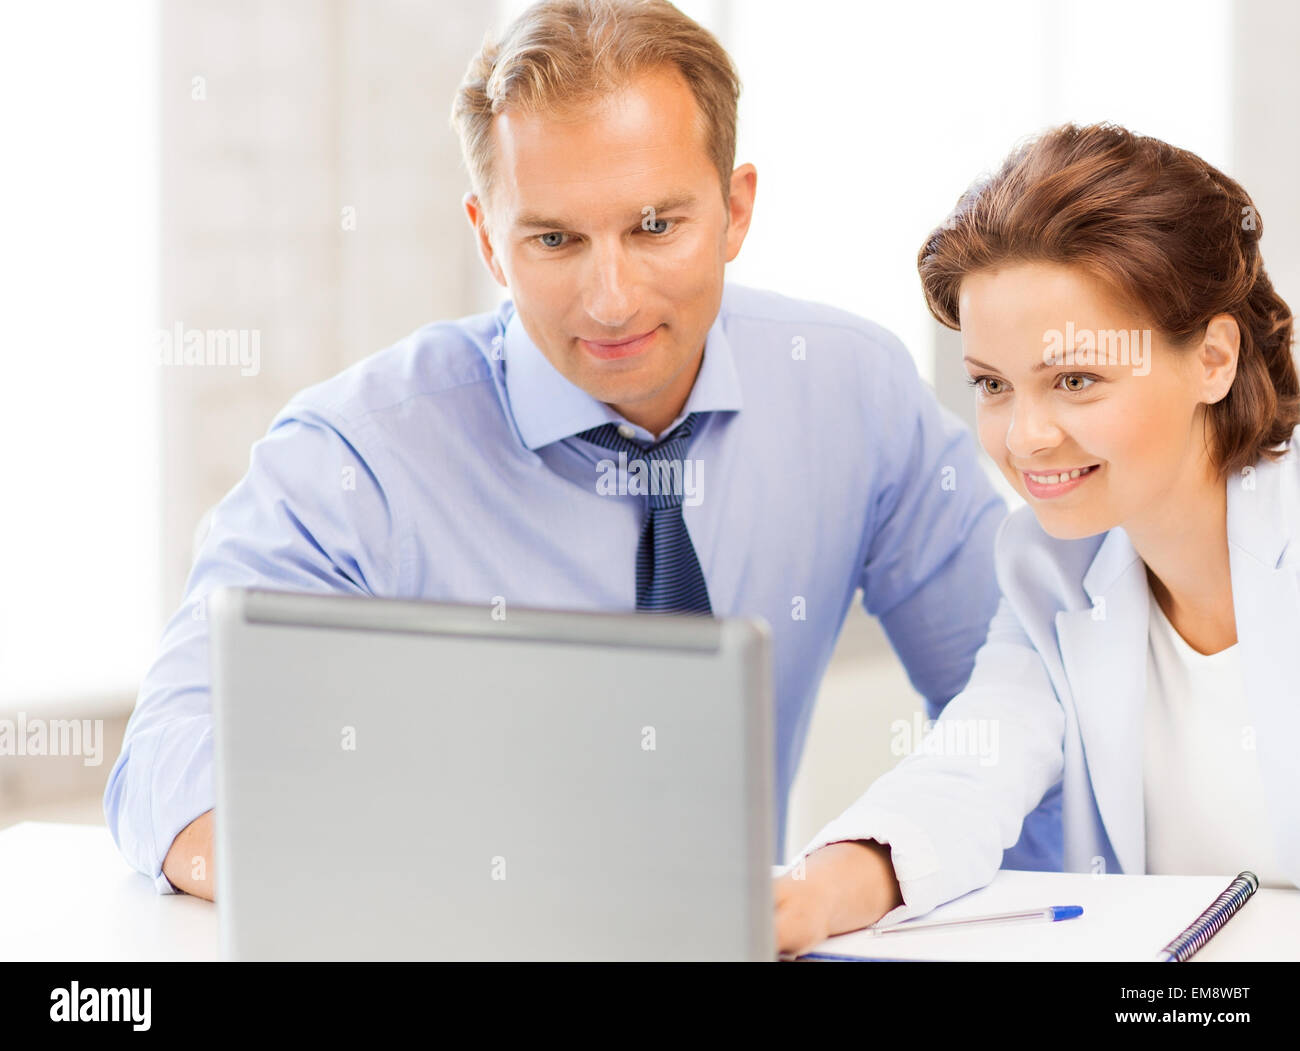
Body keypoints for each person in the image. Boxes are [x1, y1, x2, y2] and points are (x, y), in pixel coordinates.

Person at [104, 0, 1054, 902]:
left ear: (736, 210)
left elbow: (1021, 695)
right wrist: (435, 896)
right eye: (554, 238)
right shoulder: (357, 455)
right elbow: (171, 763)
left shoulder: (852, 391)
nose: (611, 298)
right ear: (488, 237)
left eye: (656, 227)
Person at [774, 122, 1300, 957]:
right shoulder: (1049, 564)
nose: (1024, 438)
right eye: (992, 384)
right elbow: (970, 769)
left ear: (1212, 359)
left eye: (1076, 380)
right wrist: (809, 894)